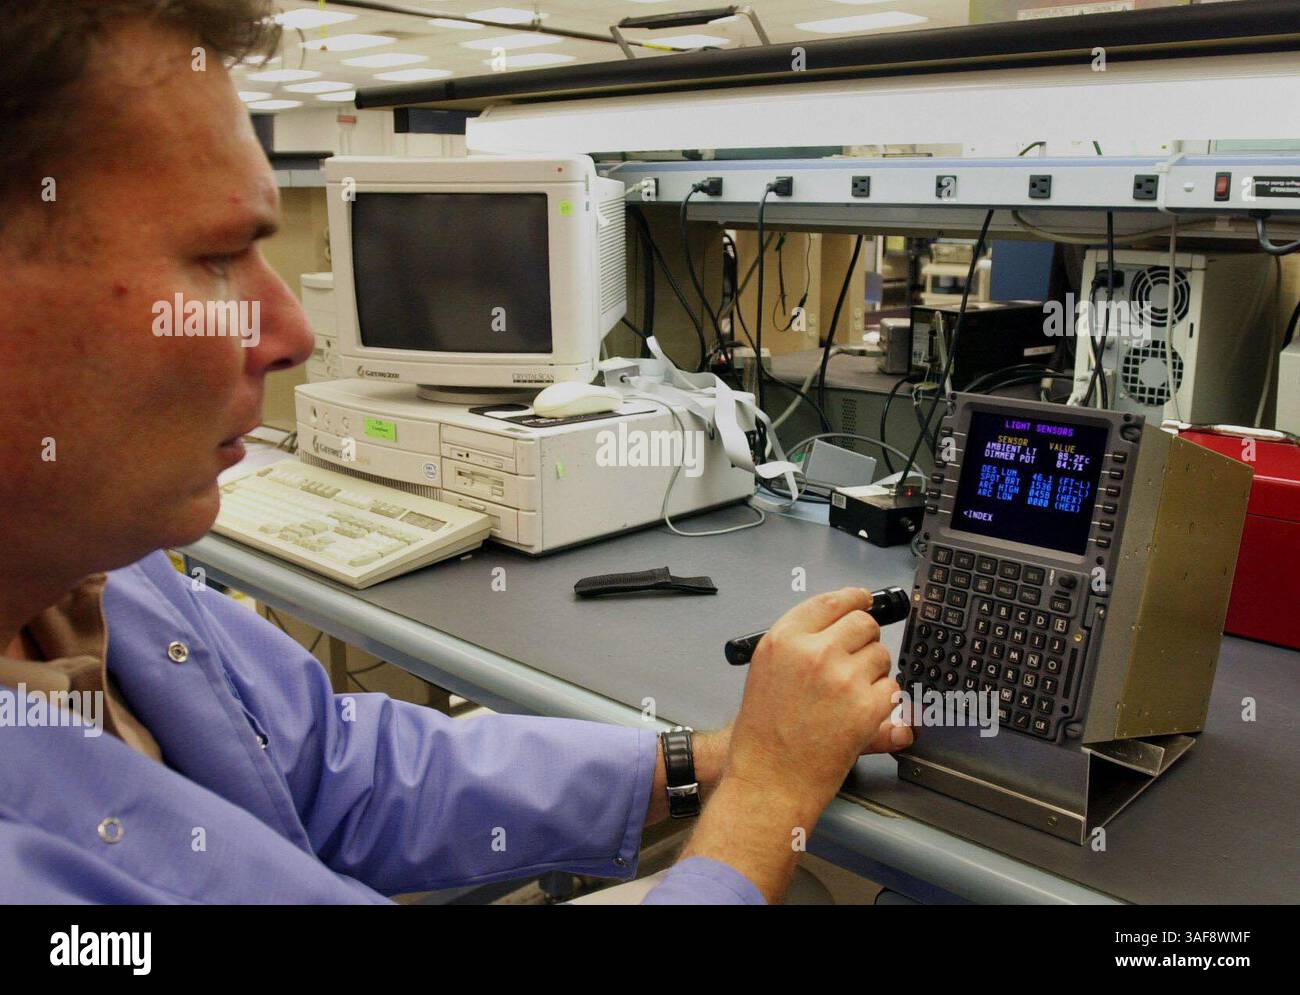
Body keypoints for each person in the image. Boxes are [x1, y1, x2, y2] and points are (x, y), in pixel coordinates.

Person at [0, 0, 909, 904]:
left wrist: (713, 758)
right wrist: (764, 799)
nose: (289, 332)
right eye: (214, 258)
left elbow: (342, 772)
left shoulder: (100, 579)